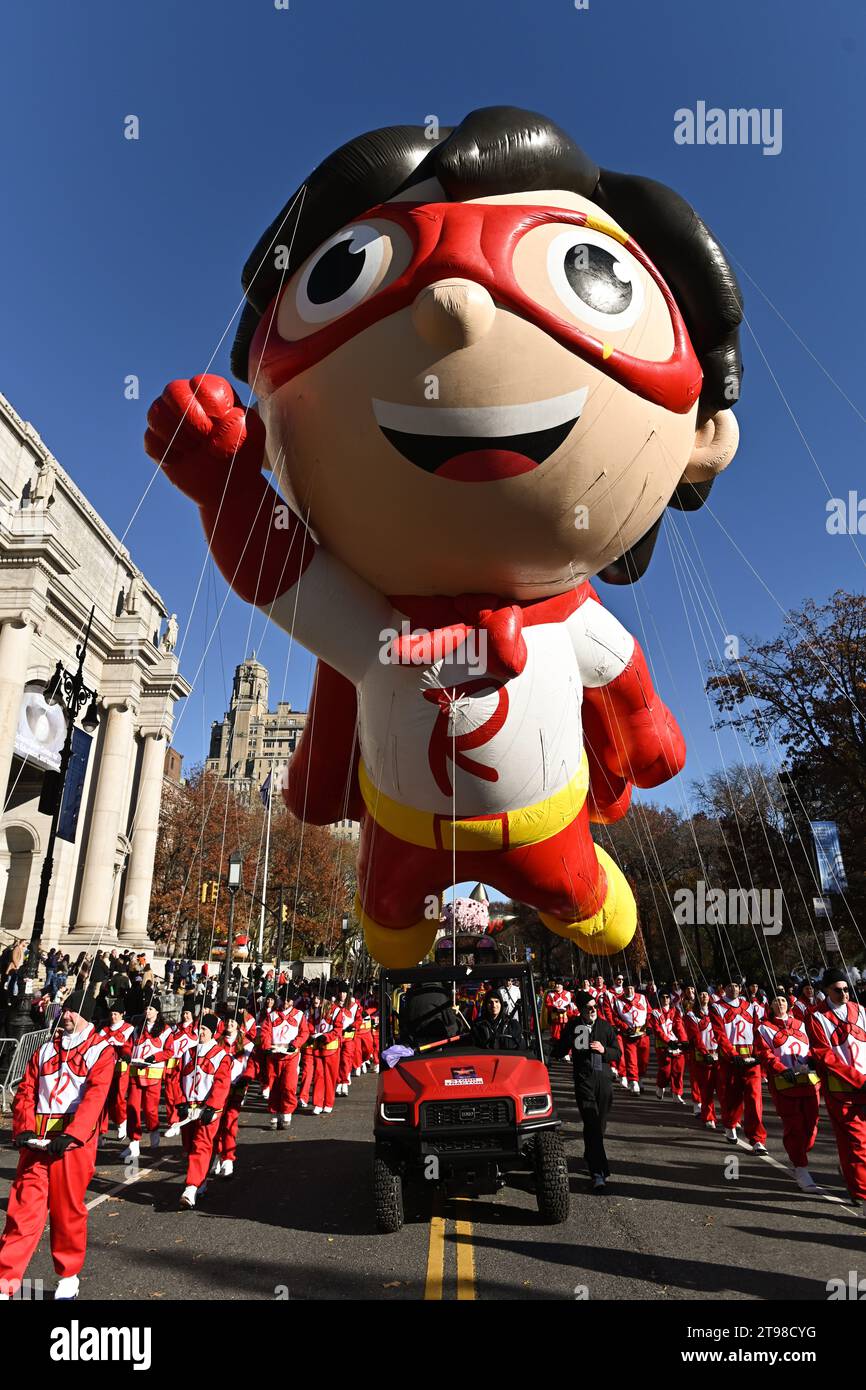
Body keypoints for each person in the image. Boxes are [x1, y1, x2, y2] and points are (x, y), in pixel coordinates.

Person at [0, 989, 113, 1301]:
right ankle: (5, 1281)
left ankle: (68, 1276)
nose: (65, 1016)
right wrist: (22, 1129)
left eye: (73, 1012)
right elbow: (26, 1090)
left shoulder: (101, 1051)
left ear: (85, 1016)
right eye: (65, 1010)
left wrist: (72, 1134)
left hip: (72, 1145)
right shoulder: (46, 1050)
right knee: (22, 1211)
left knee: (66, 1211)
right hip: (37, 1143)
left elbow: (96, 1096)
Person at [807, 967, 866, 1215]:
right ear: (826, 991)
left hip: (864, 1084)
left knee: (851, 1144)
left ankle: (852, 1176)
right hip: (843, 1091)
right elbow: (825, 1056)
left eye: (846, 989)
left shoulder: (861, 1010)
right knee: (856, 1142)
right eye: (837, 990)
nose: (844, 994)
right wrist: (858, 1080)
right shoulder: (816, 1017)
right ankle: (860, 1192)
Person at [553, 990, 619, 1191]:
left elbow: (618, 1052)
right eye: (589, 1008)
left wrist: (604, 1050)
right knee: (591, 1123)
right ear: (580, 1010)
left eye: (595, 1007)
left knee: (599, 1125)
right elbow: (560, 1049)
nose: (593, 1011)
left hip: (604, 1082)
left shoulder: (606, 1027)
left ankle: (591, 1154)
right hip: (584, 1081)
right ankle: (599, 1172)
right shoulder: (574, 1026)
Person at [755, 994, 821, 1192]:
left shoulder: (801, 1024)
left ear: (789, 1004)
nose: (780, 1003)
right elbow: (764, 1053)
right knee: (794, 1126)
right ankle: (801, 1168)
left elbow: (813, 1047)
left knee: (811, 1126)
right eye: (776, 1000)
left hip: (809, 1082)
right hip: (785, 1083)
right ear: (771, 1005)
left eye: (783, 1000)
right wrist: (780, 1068)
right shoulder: (763, 1027)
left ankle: (801, 1153)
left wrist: (811, 1060)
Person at [177, 1013, 232, 1209]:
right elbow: (177, 1080)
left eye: (205, 1029)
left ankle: (190, 1188)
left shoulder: (221, 1056)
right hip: (188, 1108)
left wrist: (212, 1106)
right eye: (199, 1028)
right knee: (190, 1146)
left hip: (207, 1109)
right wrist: (180, 1102)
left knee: (201, 1146)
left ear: (213, 1033)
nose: (200, 1032)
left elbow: (222, 1083)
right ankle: (200, 1181)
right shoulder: (187, 1053)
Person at [710, 978, 767, 1153]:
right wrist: (733, 1056)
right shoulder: (717, 1007)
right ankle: (730, 1123)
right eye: (729, 986)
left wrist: (758, 1054)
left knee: (754, 1099)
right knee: (732, 1096)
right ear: (723, 988)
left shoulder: (751, 1006)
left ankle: (757, 1138)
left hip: (751, 1060)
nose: (733, 989)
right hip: (731, 1060)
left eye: (736, 985)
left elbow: (759, 1031)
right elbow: (720, 1035)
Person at [122, 1002, 171, 1159]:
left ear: (157, 1011)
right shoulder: (137, 1028)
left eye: (150, 1008)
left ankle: (154, 1130)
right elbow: (127, 1045)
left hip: (153, 1074)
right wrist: (126, 1054)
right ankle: (133, 1143)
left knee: (150, 1109)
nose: (147, 1011)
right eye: (146, 1008)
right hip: (136, 1072)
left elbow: (170, 1051)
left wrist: (154, 1058)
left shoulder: (165, 1029)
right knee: (132, 1107)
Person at [260, 992, 310, 1128]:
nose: (285, 1003)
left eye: (288, 1000)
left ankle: (287, 1113)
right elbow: (265, 1032)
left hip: (290, 1056)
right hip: (274, 1055)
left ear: (293, 1001)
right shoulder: (272, 1015)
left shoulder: (299, 1015)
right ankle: (274, 1114)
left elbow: (305, 1032)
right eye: (283, 999)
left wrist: (295, 1043)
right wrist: (266, 1045)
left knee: (288, 1086)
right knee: (274, 1085)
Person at [214, 1017, 255, 1178]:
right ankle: (217, 1155)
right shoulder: (217, 1042)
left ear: (239, 1024)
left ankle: (228, 1159)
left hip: (237, 1087)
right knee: (216, 1124)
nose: (229, 1024)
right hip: (218, 1089)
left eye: (233, 1021)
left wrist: (247, 1078)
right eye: (227, 1021)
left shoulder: (247, 1044)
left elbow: (252, 1065)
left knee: (230, 1123)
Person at [97, 1006, 135, 1141]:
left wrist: (126, 1054)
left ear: (122, 1014)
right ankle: (100, 1131)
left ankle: (121, 1123)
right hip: (104, 1069)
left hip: (120, 1068)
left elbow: (129, 1047)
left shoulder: (128, 1029)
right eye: (111, 1014)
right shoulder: (104, 1030)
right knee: (101, 1099)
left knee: (118, 1098)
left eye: (116, 1014)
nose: (113, 1017)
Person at [684, 991, 718, 1128]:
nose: (704, 996)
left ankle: (731, 1120)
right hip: (703, 1056)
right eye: (701, 994)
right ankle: (709, 1116)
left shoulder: (716, 1012)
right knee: (706, 1087)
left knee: (725, 1088)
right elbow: (696, 1037)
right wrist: (705, 1053)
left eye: (706, 994)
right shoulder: (691, 1015)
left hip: (719, 1054)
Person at [611, 981, 650, 1093]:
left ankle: (640, 1078)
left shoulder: (642, 997)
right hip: (629, 1035)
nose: (630, 991)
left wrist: (649, 1025)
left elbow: (649, 1012)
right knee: (631, 1059)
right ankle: (633, 1082)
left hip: (643, 1034)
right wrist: (624, 1027)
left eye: (632, 988)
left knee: (643, 1060)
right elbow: (615, 1017)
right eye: (627, 988)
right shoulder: (618, 1000)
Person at [650, 990, 688, 1102]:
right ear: (659, 999)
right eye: (663, 997)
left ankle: (677, 1094)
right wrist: (667, 1041)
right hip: (663, 1045)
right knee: (665, 1071)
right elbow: (657, 1030)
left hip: (676, 1044)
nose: (665, 999)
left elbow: (679, 1026)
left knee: (678, 1070)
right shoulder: (655, 1012)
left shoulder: (675, 1011)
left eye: (667, 997)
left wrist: (683, 1040)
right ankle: (660, 1086)